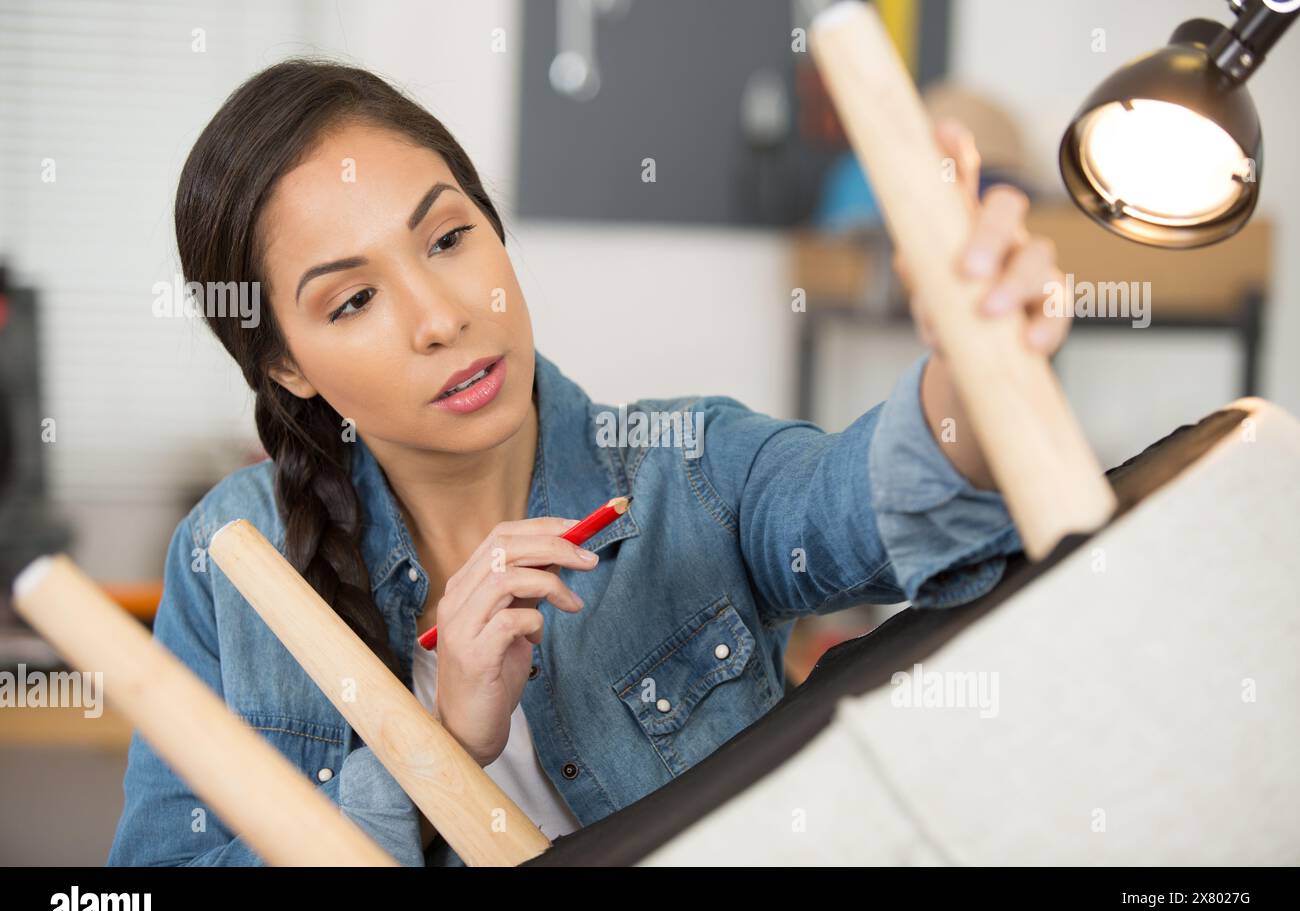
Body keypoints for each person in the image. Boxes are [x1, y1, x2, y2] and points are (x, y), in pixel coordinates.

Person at [108, 59, 1068, 867]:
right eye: (353, 301)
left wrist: (977, 370)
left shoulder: (685, 468)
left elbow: (866, 506)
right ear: (284, 362)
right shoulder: (233, 560)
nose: (442, 317)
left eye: (449, 238)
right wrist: (440, 749)